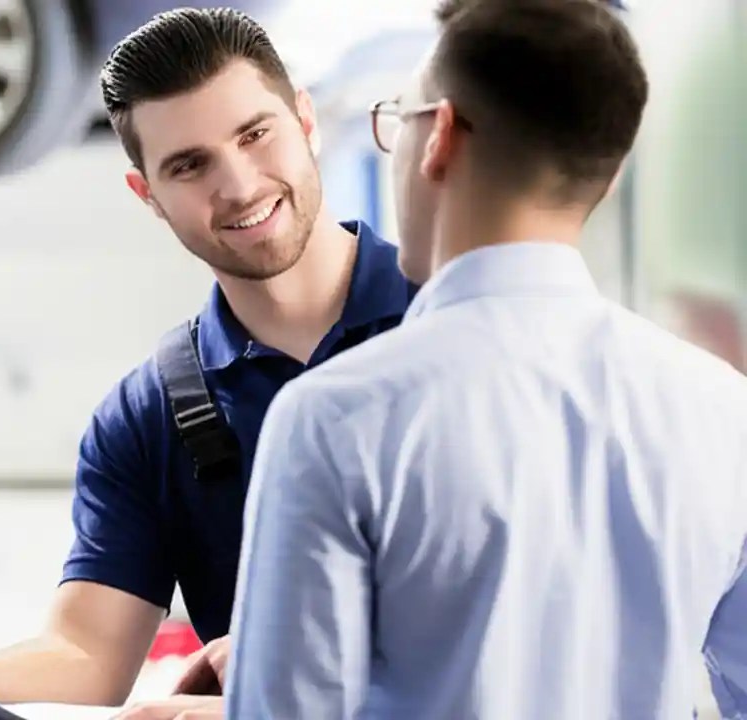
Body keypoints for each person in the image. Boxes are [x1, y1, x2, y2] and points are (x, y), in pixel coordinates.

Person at [0, 8, 416, 720]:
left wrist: (272, 696)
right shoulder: (153, 414)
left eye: (255, 135)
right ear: (150, 197)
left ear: (307, 121)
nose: (239, 185)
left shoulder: (452, 325)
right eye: (189, 165)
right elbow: (86, 657)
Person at [224, 0, 747, 718]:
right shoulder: (723, 409)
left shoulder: (337, 418)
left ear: (439, 134)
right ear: (613, 170)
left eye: (395, 119)